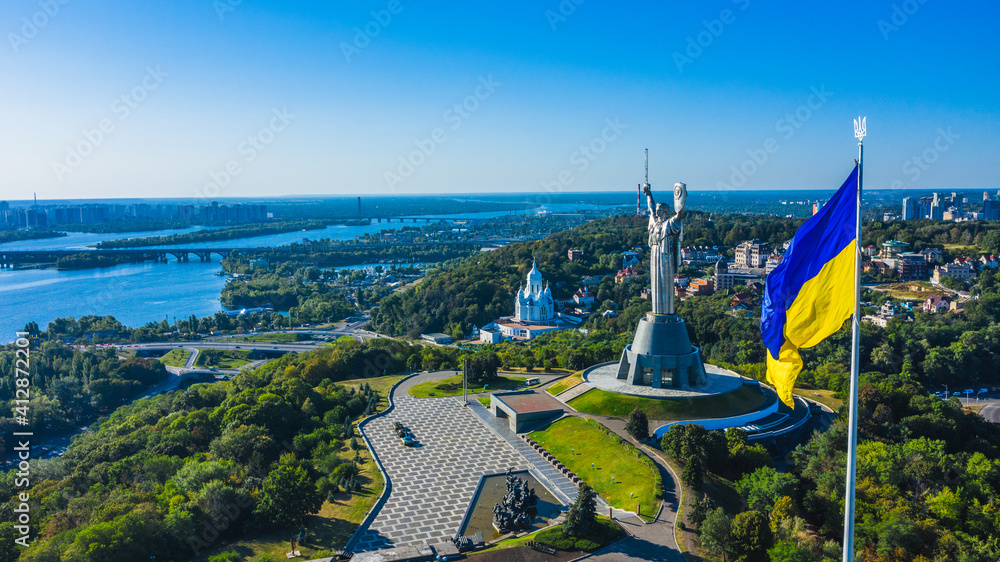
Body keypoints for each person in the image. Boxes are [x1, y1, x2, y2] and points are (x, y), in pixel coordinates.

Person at [643, 181, 687, 315]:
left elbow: (679, 216)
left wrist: (680, 199)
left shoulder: (669, 223)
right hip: (654, 252)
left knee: (665, 280)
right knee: (655, 280)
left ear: (664, 211)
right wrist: (648, 193)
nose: (656, 211)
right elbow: (650, 206)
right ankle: (657, 310)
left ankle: (666, 311)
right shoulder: (654, 220)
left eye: (659, 209)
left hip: (665, 254)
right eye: (657, 209)